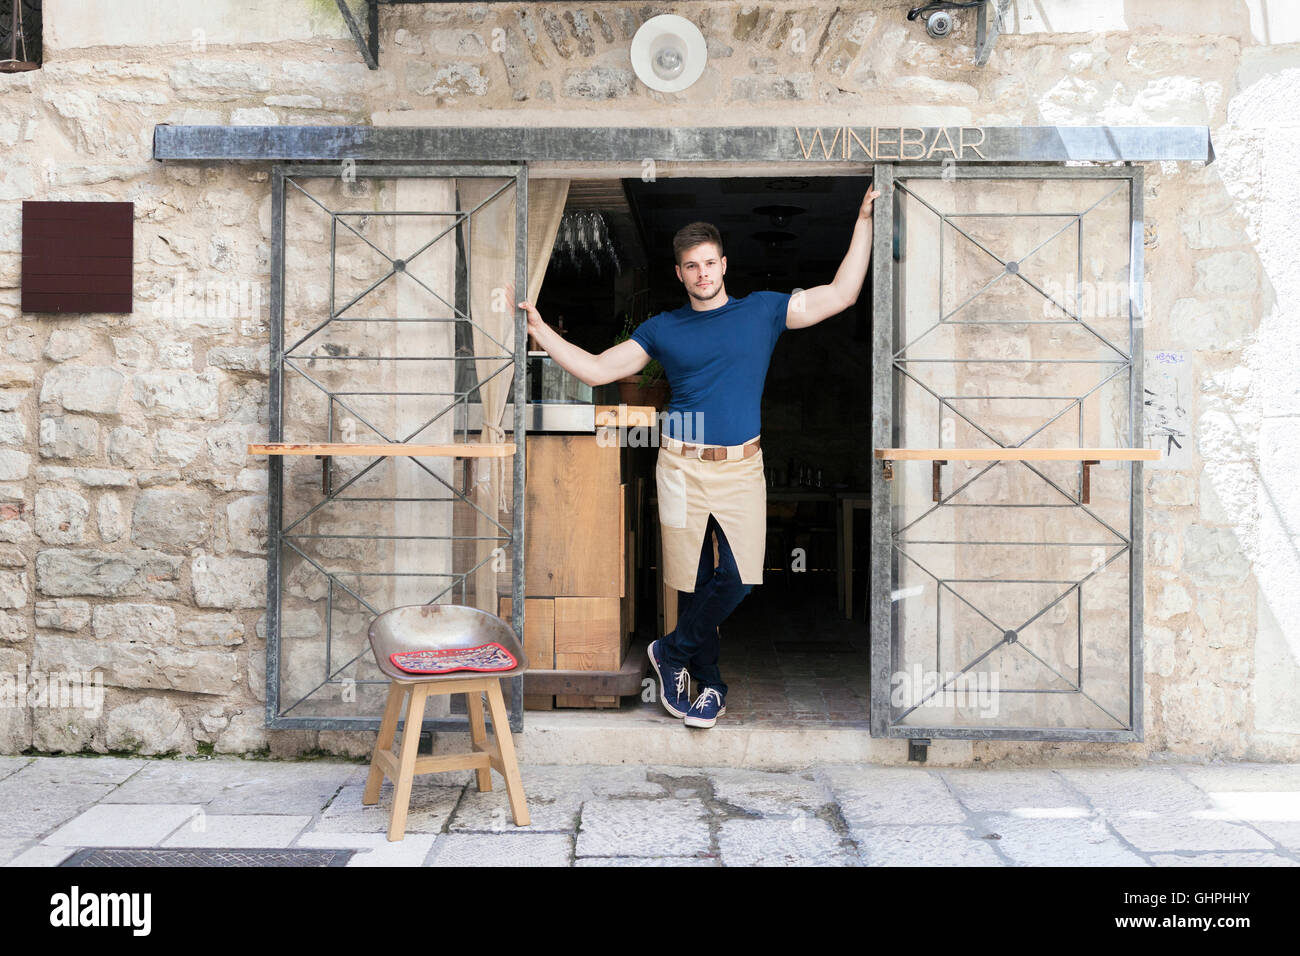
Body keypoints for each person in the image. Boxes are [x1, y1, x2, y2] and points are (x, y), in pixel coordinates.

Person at [517, 186, 880, 728]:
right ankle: (708, 688)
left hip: (742, 466)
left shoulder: (763, 311)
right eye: (692, 266)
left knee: (738, 577)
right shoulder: (662, 328)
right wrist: (543, 332)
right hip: (681, 464)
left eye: (710, 262)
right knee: (691, 578)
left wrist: (863, 220)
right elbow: (597, 370)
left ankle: (670, 653)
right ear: (680, 273)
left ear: (724, 264)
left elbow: (843, 293)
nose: (703, 272)